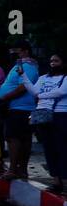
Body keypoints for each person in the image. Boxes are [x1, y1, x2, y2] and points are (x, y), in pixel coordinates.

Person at [0, 42, 39, 179]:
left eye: (17, 51)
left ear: (25, 51)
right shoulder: (19, 65)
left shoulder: (29, 67)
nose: (14, 54)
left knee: (14, 138)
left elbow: (23, 87)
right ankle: (19, 170)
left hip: (20, 108)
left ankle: (14, 169)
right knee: (19, 138)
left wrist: (4, 98)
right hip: (14, 107)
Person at [31, 53, 67, 193]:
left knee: (62, 148)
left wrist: (41, 95)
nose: (53, 63)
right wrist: (23, 77)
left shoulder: (65, 78)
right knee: (49, 148)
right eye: (51, 60)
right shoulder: (43, 78)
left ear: (63, 63)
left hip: (62, 116)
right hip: (45, 115)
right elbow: (33, 91)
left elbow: (60, 92)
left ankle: (64, 180)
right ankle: (56, 181)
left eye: (56, 61)